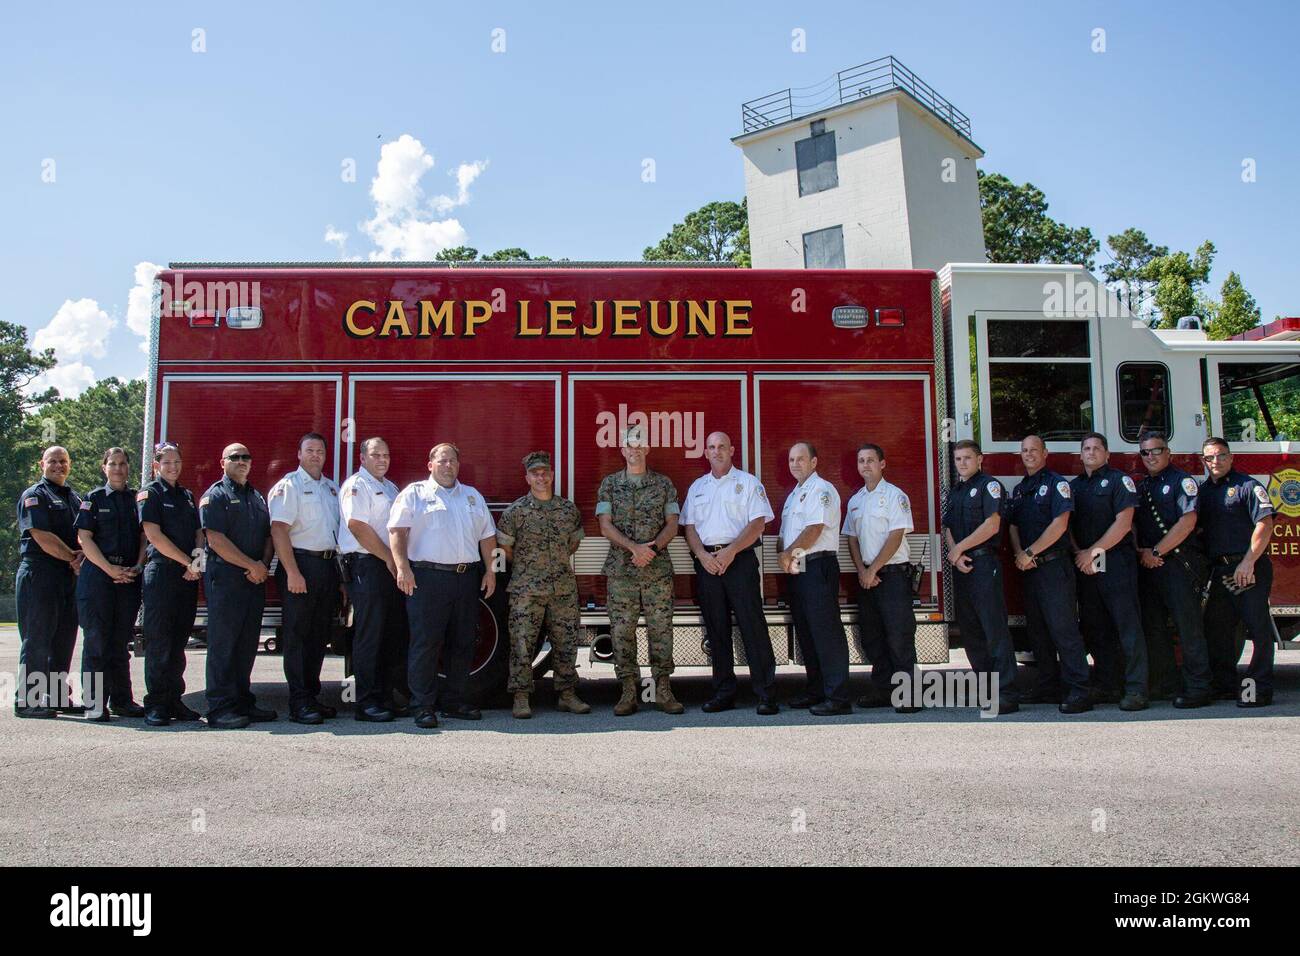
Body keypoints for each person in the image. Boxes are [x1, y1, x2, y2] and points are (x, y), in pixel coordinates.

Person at [389, 443, 497, 729]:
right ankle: (423, 706)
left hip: (466, 578)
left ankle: (455, 701)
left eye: (453, 461)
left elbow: (487, 536)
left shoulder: (472, 497)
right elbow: (397, 532)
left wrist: (490, 571)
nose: (448, 465)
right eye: (442, 460)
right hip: (427, 579)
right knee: (426, 643)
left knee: (462, 643)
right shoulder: (414, 494)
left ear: (459, 466)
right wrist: (402, 568)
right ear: (430, 465)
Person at [681, 431, 778, 715]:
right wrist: (702, 556)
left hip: (740, 561)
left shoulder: (748, 483)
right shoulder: (698, 487)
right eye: (711, 447)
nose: (716, 451)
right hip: (707, 562)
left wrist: (731, 551)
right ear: (706, 452)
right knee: (717, 630)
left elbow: (758, 523)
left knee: (753, 627)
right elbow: (689, 527)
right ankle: (724, 692)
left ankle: (766, 693)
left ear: (732, 449)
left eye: (722, 446)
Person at [596, 428, 683, 716]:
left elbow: (673, 523)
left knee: (661, 630)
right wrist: (634, 548)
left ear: (647, 449)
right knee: (622, 632)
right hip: (622, 571)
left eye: (639, 445)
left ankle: (663, 690)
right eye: (629, 446)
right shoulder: (609, 484)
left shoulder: (663, 484)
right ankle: (628, 691)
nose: (634, 451)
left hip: (656, 569)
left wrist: (652, 549)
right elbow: (605, 525)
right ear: (623, 450)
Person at [497, 451, 590, 719]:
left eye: (544, 472)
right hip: (526, 589)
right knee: (522, 644)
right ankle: (521, 696)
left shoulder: (567, 509)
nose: (541, 476)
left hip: (562, 588)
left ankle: (567, 694)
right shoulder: (516, 512)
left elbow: (574, 543)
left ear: (551, 475)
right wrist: (531, 569)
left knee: (567, 643)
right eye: (535, 473)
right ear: (527, 477)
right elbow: (505, 548)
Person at [1007, 435, 1093, 714]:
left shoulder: (1058, 485)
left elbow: (1060, 524)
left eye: (1034, 450)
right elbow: (1013, 526)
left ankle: (1079, 690)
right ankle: (1047, 686)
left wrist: (1029, 553)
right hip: (1030, 569)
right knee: (1039, 632)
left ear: (1045, 453)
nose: (1029, 454)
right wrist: (1021, 554)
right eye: (1025, 451)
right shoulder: (1021, 490)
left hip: (1054, 567)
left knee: (1064, 631)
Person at [1133, 432, 1212, 708]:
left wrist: (1156, 552)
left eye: (1156, 450)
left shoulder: (1183, 482)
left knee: (1187, 627)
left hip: (1178, 564)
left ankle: (1198, 688)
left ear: (1169, 452)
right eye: (1145, 452)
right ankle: (1166, 684)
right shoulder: (1142, 487)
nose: (1151, 456)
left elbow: (1187, 522)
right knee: (1154, 628)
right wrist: (1143, 553)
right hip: (1149, 566)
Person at [269, 432, 343, 725]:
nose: (315, 455)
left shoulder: (330, 489)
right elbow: (278, 530)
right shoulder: (289, 486)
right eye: (309, 450)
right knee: (298, 637)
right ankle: (298, 702)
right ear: (298, 454)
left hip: (326, 567)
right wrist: (293, 572)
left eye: (320, 451)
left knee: (318, 636)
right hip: (299, 564)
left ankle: (311, 696)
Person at [199, 443, 274, 729]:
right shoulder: (216, 495)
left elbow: (268, 536)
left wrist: (262, 566)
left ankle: (242, 701)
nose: (242, 461)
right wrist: (250, 565)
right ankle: (219, 708)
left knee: (245, 644)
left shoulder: (256, 497)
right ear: (223, 462)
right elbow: (215, 539)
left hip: (253, 580)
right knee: (223, 645)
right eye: (235, 457)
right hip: (227, 579)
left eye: (246, 456)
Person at [843, 443, 922, 714]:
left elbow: (896, 536)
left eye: (870, 460)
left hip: (893, 577)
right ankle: (883, 690)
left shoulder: (894, 496)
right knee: (873, 637)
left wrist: (873, 569)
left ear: (882, 464)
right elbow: (851, 539)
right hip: (867, 577)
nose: (865, 465)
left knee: (899, 636)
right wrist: (863, 571)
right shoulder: (855, 501)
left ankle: (909, 693)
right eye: (861, 460)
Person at [1197, 437, 1276, 707]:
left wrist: (1248, 562)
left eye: (1220, 456)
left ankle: (1258, 690)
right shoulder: (1204, 491)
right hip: (1221, 571)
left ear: (1231, 457)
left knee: (1257, 628)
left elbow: (1264, 525)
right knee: (1218, 629)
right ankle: (1225, 685)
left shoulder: (1247, 486)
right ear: (1203, 461)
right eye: (1209, 458)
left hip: (1247, 569)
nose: (1215, 462)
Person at [942, 439, 1019, 713]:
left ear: (979, 459)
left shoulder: (990, 486)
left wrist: (960, 549)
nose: (962, 463)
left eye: (967, 458)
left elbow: (992, 524)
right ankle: (986, 690)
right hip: (963, 566)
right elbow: (949, 526)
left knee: (994, 630)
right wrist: (955, 554)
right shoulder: (956, 492)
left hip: (985, 564)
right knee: (972, 633)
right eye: (958, 459)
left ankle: (1007, 692)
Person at [778, 441, 850, 716]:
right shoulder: (795, 495)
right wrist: (785, 554)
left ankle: (838, 697)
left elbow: (815, 528)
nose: (795, 464)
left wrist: (789, 553)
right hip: (799, 570)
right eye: (791, 460)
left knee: (826, 633)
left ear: (814, 462)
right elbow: (787, 532)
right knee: (808, 634)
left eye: (801, 459)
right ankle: (817, 690)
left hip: (818, 566)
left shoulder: (822, 490)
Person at [75, 447, 147, 720]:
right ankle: (94, 704)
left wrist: (138, 566)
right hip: (98, 578)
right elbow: (84, 538)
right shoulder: (92, 499)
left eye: (123, 463)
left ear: (129, 467)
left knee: (120, 644)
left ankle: (122, 700)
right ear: (104, 467)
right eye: (113, 464)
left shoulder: (136, 500)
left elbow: (144, 537)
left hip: (128, 577)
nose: (118, 468)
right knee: (96, 642)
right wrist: (108, 569)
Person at [338, 437, 407, 722]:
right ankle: (365, 702)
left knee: (389, 634)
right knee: (369, 634)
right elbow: (357, 526)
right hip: (366, 565)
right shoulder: (357, 485)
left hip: (384, 566)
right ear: (362, 458)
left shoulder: (389, 487)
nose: (382, 459)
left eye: (386, 455)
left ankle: (384, 696)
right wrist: (389, 558)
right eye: (376, 454)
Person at [14, 446, 84, 717]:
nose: (58, 466)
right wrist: (73, 558)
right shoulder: (35, 495)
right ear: (41, 464)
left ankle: (56, 696)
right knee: (37, 639)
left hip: (67, 576)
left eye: (63, 461)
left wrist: (79, 558)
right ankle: (27, 700)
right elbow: (42, 536)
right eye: (52, 461)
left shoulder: (74, 498)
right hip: (40, 574)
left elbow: (82, 533)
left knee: (64, 639)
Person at [137, 441, 204, 727]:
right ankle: (156, 704)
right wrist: (185, 562)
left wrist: (197, 561)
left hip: (187, 576)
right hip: (162, 574)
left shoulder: (187, 496)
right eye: (167, 463)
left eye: (177, 462)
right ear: (156, 465)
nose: (173, 467)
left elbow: (199, 532)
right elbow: (154, 535)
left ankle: (175, 699)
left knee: (178, 642)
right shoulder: (149, 494)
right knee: (159, 641)